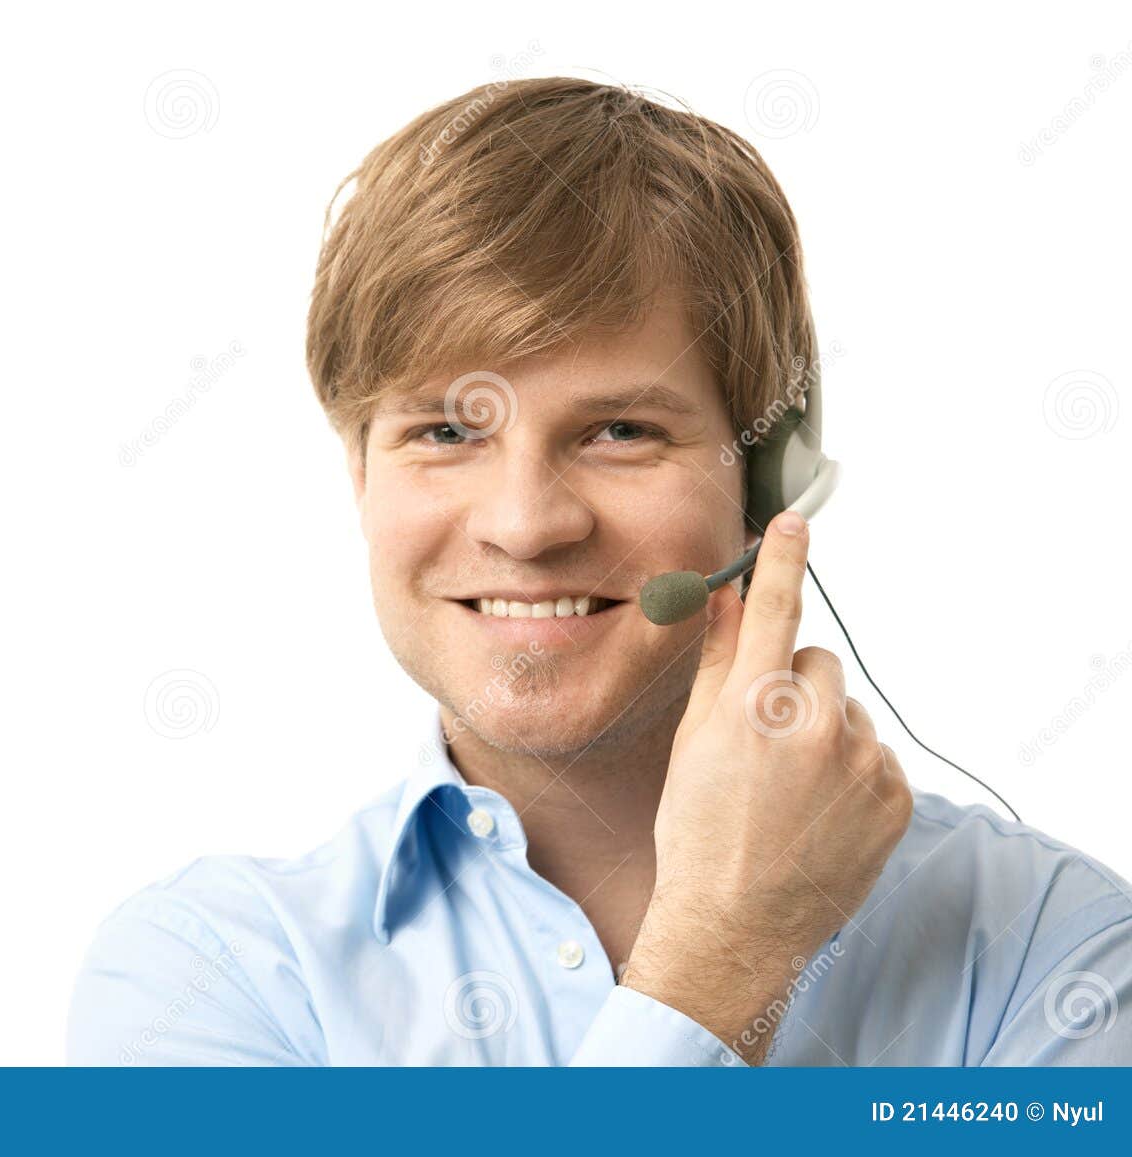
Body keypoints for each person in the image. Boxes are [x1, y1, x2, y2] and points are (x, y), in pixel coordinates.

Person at [69, 78, 1132, 1065]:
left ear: (770, 478)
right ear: (360, 474)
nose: (525, 525)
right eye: (445, 432)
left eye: (620, 430)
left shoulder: (1055, 951)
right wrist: (717, 962)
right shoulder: (204, 975)